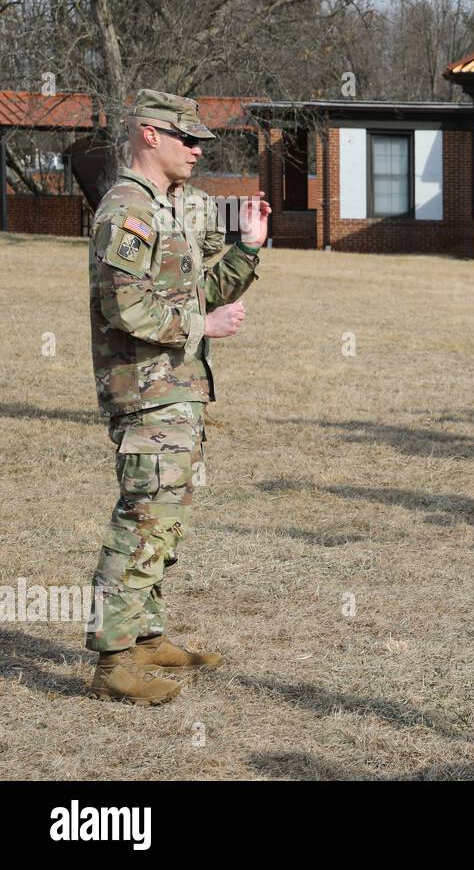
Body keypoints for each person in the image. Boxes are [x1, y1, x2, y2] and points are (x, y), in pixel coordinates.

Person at [86, 90, 269, 704]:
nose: (197, 149)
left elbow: (204, 290)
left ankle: (144, 636)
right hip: (145, 388)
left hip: (179, 388)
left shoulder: (171, 208)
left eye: (200, 140)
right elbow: (125, 305)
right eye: (185, 137)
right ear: (148, 134)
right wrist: (200, 327)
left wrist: (246, 246)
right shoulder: (127, 210)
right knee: (142, 518)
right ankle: (113, 661)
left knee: (167, 518)